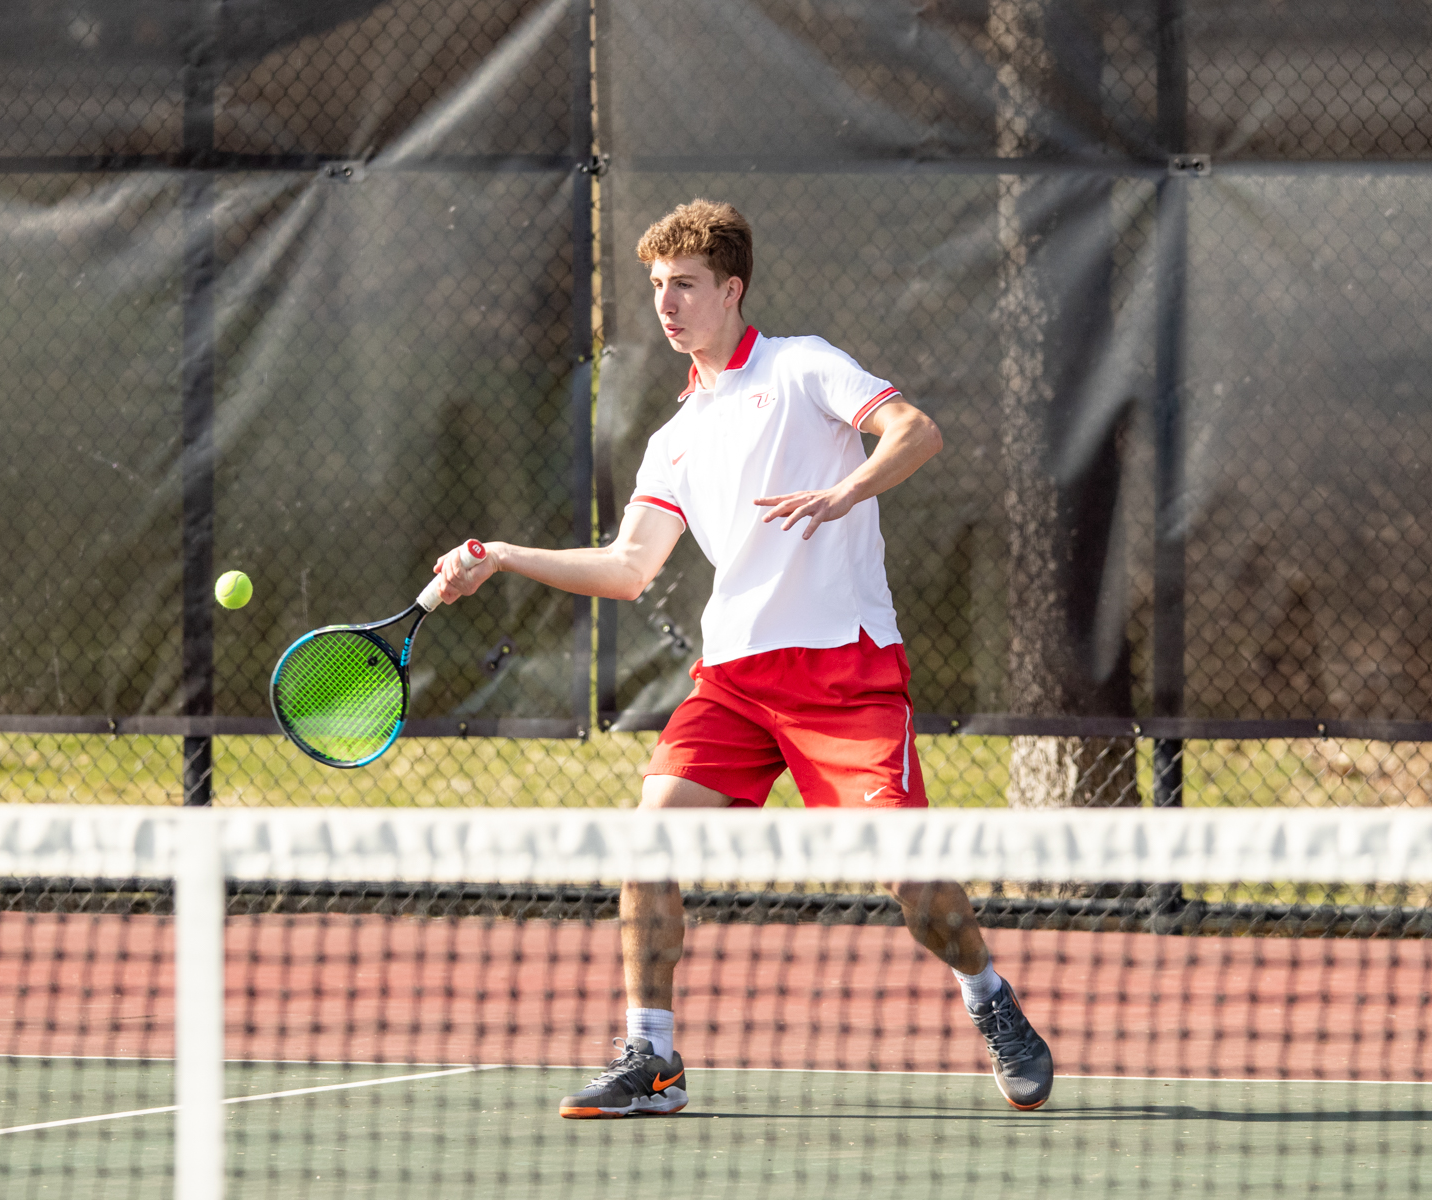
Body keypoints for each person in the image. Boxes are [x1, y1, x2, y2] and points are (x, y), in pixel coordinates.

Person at [431, 198, 1053, 1118]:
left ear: (731, 289)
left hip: (846, 673)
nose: (667, 305)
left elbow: (915, 431)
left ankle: (988, 997)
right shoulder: (674, 437)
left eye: (684, 286)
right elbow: (630, 566)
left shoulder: (804, 366)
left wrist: (845, 492)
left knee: (917, 890)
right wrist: (505, 556)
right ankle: (652, 1057)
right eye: (655, 288)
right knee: (647, 839)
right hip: (734, 681)